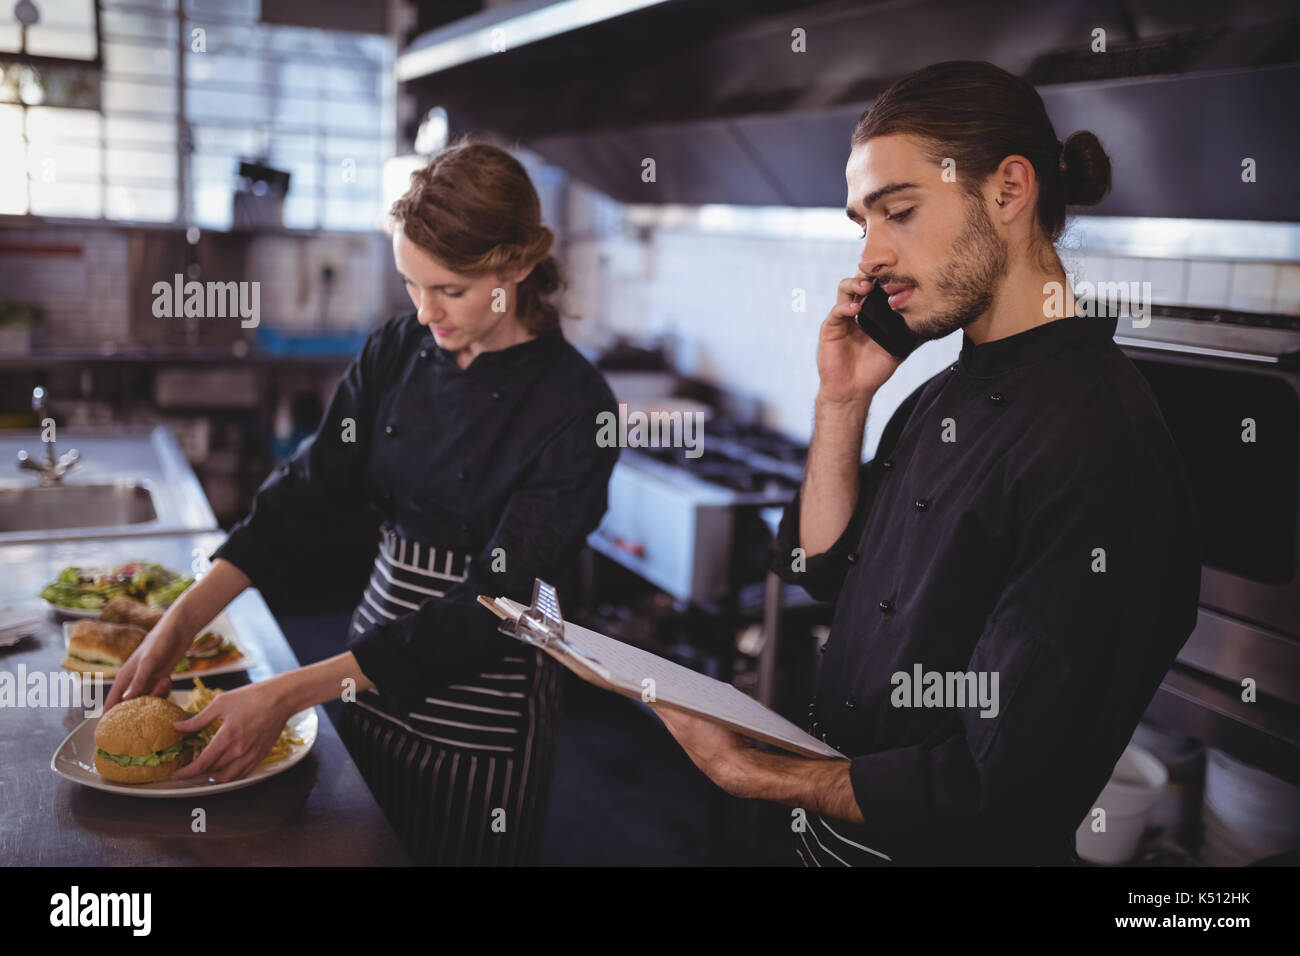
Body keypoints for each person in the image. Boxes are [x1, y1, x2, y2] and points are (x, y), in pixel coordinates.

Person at [650, 60, 1202, 865]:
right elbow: (822, 567)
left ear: (1010, 191)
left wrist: (766, 774)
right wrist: (842, 404)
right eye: (860, 224)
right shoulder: (935, 395)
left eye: (898, 212)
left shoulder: (1101, 447)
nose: (870, 256)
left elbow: (997, 789)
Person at [107, 138, 620, 866]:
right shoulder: (399, 350)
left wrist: (289, 693)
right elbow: (308, 492)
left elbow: (495, 603)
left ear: (519, 267)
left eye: (450, 291)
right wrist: (180, 619)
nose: (425, 312)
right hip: (366, 678)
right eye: (411, 284)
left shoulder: (574, 408)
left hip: (480, 714)